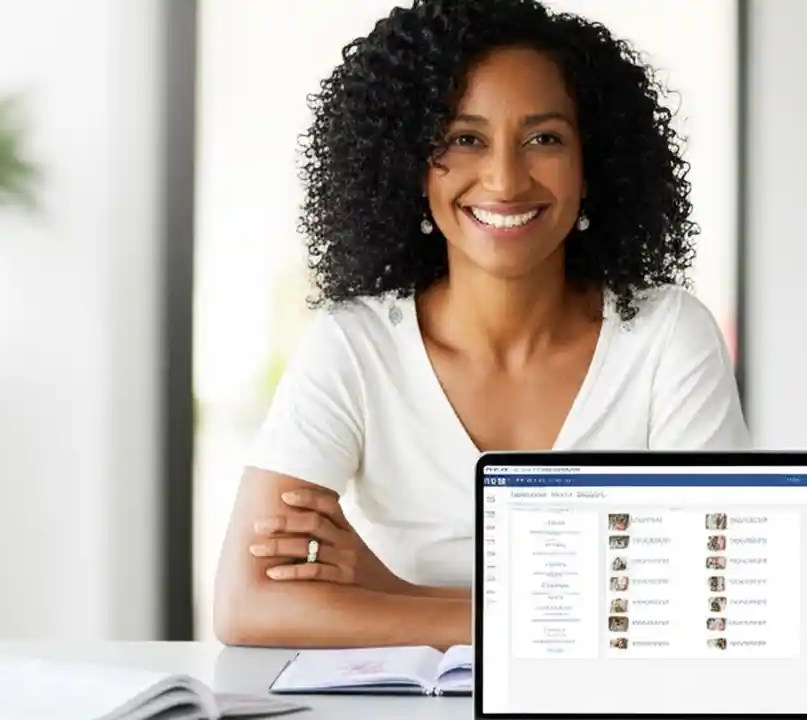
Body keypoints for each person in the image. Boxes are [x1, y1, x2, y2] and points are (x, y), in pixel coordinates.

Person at [213, 0, 750, 650]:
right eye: (465, 139)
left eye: (544, 139)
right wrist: (545, 620)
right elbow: (249, 606)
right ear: (411, 164)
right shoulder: (354, 345)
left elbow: (711, 603)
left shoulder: (667, 338)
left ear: (592, 166)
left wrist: (391, 592)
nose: (504, 178)